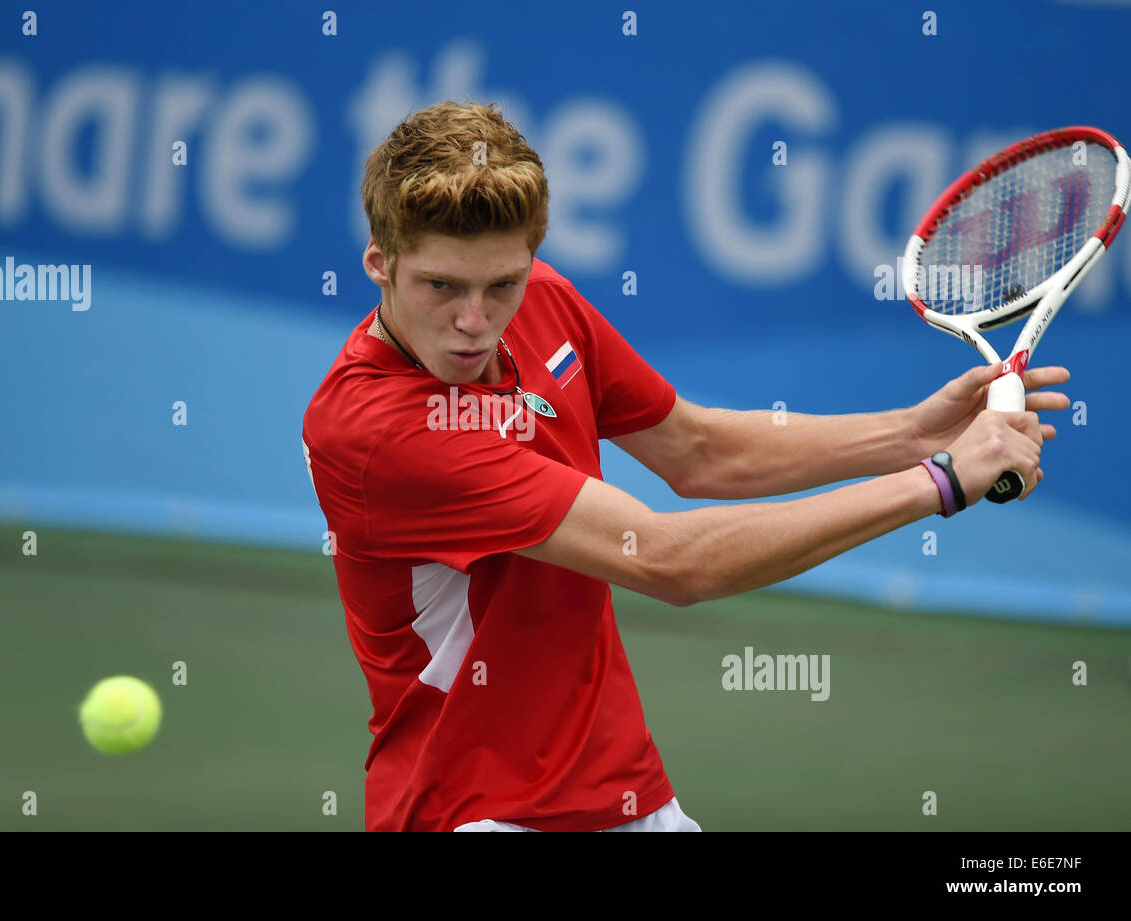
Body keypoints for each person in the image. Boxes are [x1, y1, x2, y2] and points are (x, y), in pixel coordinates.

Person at [300, 101, 1067, 832]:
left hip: (624, 790)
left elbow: (699, 450)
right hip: (470, 809)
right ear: (380, 264)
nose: (475, 321)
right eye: (441, 287)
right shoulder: (378, 432)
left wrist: (910, 433)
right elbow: (668, 561)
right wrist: (941, 480)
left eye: (502, 284)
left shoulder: (546, 302)